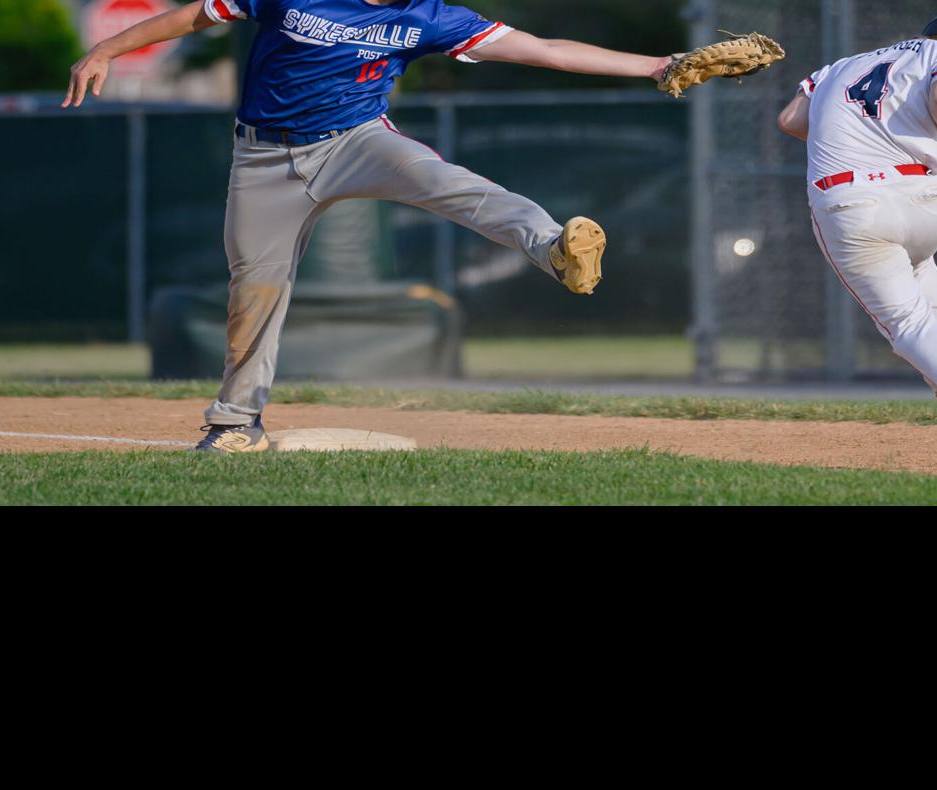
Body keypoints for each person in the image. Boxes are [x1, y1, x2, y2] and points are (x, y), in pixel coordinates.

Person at [65, 1, 681, 452]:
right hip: (263, 160)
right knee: (254, 290)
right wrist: (106, 48)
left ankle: (554, 248)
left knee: (453, 184)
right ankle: (235, 425)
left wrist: (658, 64)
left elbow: (546, 49)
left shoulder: (429, 16)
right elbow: (197, 15)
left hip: (358, 141)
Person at [776, 5, 937, 473]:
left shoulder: (841, 66)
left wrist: (854, 133)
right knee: (919, 271)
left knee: (903, 319)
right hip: (923, 198)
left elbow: (792, 120)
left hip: (852, 202)